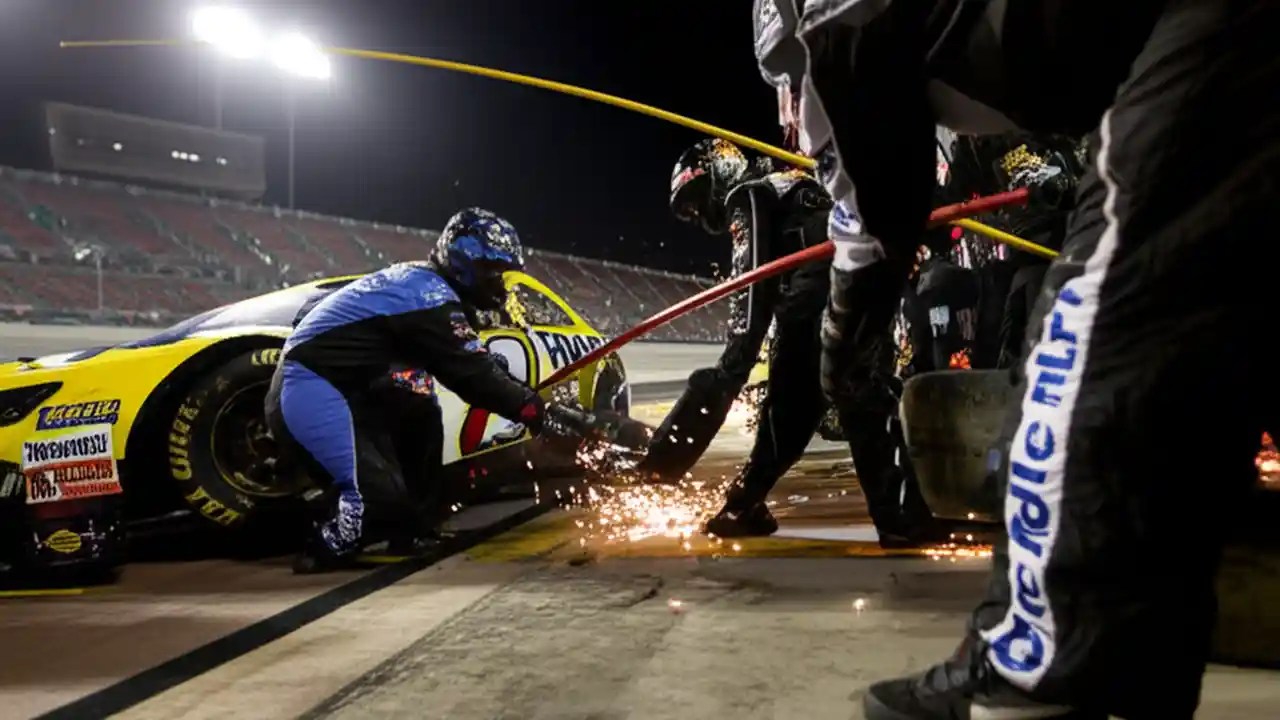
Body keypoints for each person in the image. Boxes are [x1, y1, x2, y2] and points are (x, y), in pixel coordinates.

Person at [754, 0, 1277, 717]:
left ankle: (1044, 672)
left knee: (1100, 318)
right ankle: (1129, 655)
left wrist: (839, 350)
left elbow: (873, 228)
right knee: (1203, 321)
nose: (788, 118)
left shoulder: (824, 31)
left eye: (782, 90)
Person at [266, 207, 591, 573]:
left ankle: (414, 528)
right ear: (464, 262)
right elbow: (472, 374)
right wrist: (536, 413)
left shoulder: (423, 285)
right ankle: (320, 544)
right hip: (308, 390)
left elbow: (473, 364)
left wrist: (526, 400)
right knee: (381, 502)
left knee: (421, 407)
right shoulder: (428, 298)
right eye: (494, 271)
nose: (500, 283)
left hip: (350, 391)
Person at [641, 139, 926, 544]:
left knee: (855, 396)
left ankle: (902, 519)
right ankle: (743, 505)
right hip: (843, 288)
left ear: (719, 173)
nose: (700, 217)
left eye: (697, 200)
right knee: (792, 411)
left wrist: (734, 363)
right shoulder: (792, 184)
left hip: (823, 294)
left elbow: (752, 281)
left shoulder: (750, 194)